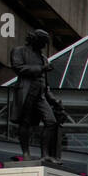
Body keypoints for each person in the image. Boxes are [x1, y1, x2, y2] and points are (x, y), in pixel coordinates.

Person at [10, 28, 65, 160]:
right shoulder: (19, 51)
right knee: (25, 123)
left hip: (40, 95)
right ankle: (26, 153)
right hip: (26, 91)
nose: (44, 46)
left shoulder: (43, 57)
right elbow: (18, 68)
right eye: (43, 42)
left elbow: (45, 84)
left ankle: (45, 155)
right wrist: (41, 68)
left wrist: (53, 100)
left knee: (51, 121)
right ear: (35, 40)